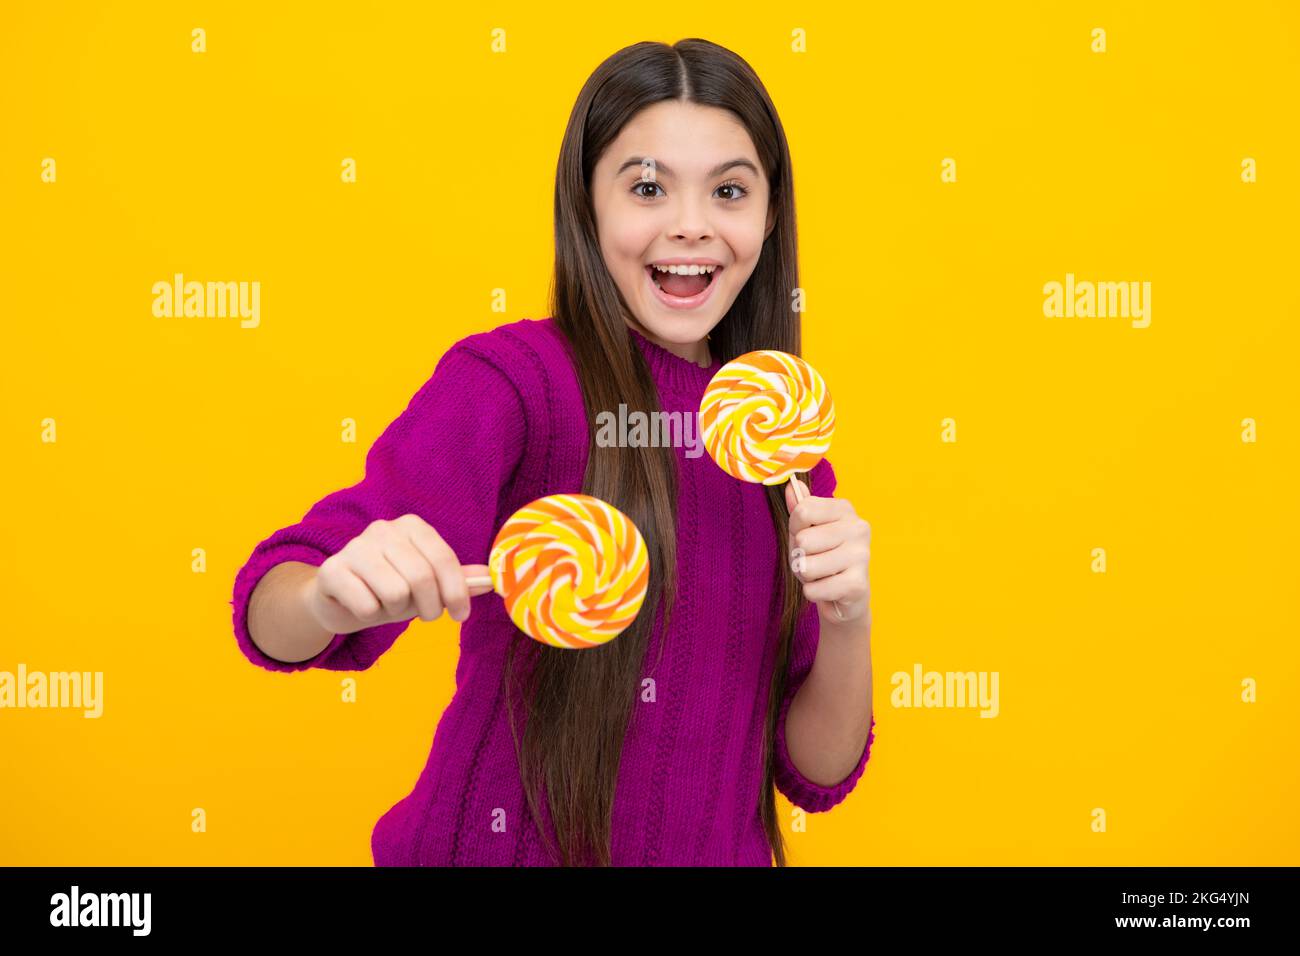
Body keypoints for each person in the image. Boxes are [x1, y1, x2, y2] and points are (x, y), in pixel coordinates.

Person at [230, 37, 876, 867]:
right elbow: (271, 614)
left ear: (770, 214)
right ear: (590, 206)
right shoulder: (514, 384)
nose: (691, 225)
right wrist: (329, 598)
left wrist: (848, 615)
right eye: (647, 187)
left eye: (728, 191)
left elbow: (813, 771)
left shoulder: (783, 459)